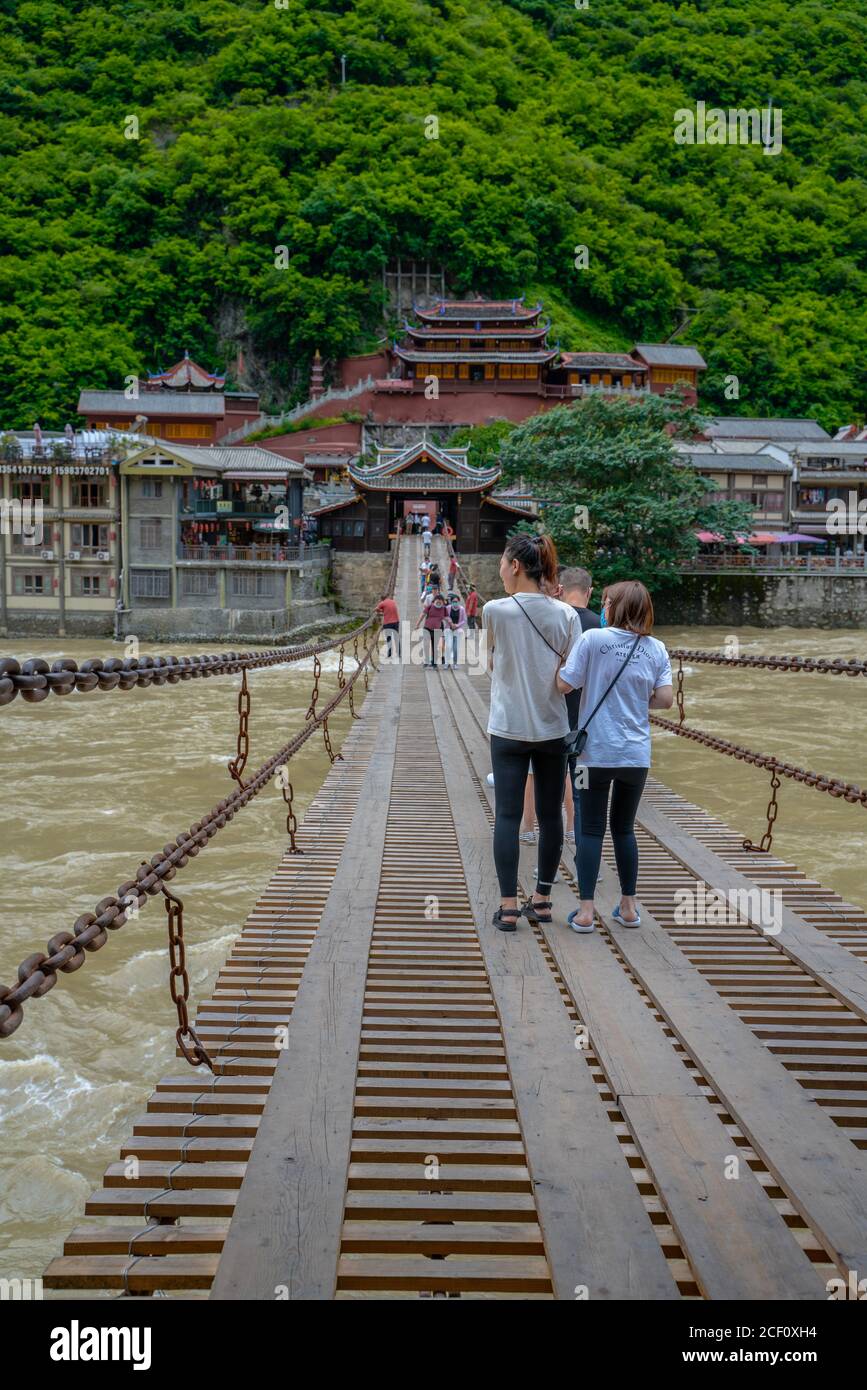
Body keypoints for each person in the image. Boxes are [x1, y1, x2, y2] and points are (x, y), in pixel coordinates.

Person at [556, 580, 673, 935]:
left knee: (589, 829)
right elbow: (665, 700)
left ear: (616, 607)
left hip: (591, 756)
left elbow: (565, 684)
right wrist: (637, 701)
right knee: (624, 828)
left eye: (606, 602)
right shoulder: (656, 648)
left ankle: (586, 912)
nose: (603, 607)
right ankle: (629, 907)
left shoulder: (593, 640)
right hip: (635, 757)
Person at [483, 533, 581, 933]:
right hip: (552, 729)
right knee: (550, 813)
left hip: (508, 727)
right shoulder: (567, 615)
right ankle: (541, 900)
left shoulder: (494, 610)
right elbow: (570, 678)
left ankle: (508, 907)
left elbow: (491, 663)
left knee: (507, 815)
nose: (501, 570)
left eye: (503, 563)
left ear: (516, 566)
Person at [558, 567, 601, 843]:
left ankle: (551, 841)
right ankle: (577, 829)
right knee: (582, 781)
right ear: (590, 591)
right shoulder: (603, 627)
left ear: (559, 589)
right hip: (591, 719)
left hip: (555, 714)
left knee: (552, 781)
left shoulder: (554, 622)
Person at [416, 590, 448, 667]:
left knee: (435, 646)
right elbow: (422, 615)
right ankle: (426, 661)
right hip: (427, 628)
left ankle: (434, 662)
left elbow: (447, 618)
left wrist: (451, 625)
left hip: (437, 629)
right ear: (434, 601)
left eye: (441, 601)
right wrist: (417, 624)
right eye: (437, 601)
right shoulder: (429, 607)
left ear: (443, 602)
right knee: (426, 644)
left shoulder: (444, 609)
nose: (439, 602)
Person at [444, 590, 466, 667]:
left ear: (459, 601)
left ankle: (455, 663)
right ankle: (447, 662)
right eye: (453, 601)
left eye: (456, 601)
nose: (455, 603)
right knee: (448, 646)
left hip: (457, 630)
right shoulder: (448, 608)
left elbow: (463, 620)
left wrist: (457, 625)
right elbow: (445, 617)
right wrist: (451, 623)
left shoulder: (462, 609)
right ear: (451, 601)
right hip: (448, 629)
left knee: (455, 648)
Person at [376, 592, 400, 658]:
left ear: (382, 599)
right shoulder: (393, 601)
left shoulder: (383, 603)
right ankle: (399, 653)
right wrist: (384, 611)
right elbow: (389, 609)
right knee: (396, 638)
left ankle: (389, 654)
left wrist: (380, 611)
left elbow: (376, 609)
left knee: (389, 639)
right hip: (396, 622)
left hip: (388, 623)